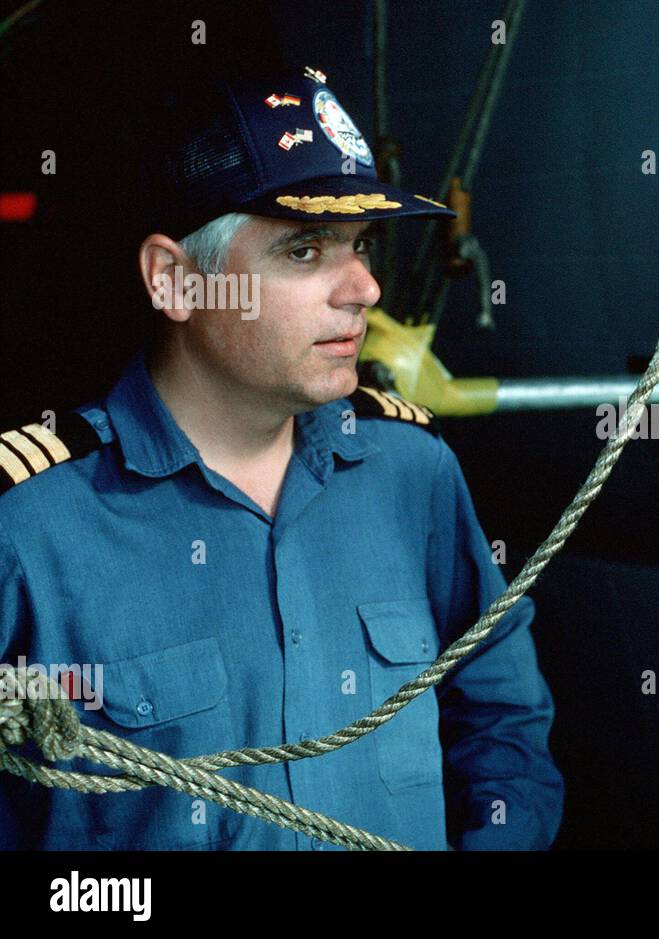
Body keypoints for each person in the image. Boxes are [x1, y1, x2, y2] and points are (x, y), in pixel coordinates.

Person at [0, 65, 563, 850]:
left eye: (361, 244)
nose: (364, 285)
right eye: (305, 250)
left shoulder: (413, 473)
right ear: (176, 280)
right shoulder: (31, 526)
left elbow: (502, 720)